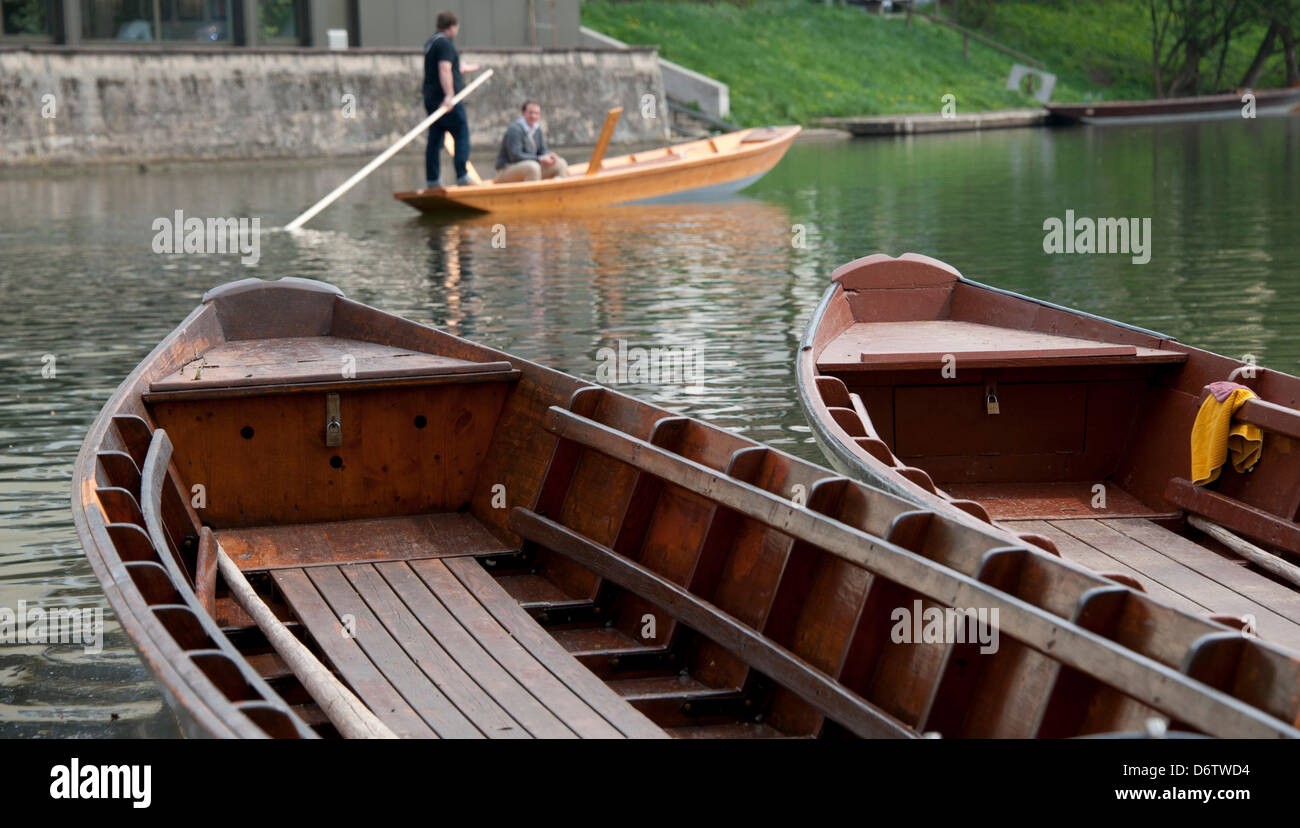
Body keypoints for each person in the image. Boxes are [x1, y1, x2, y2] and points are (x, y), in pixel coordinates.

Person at [423, 11, 480, 189]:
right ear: (452, 26)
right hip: (445, 101)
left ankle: (433, 180)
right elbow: (444, 68)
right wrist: (449, 95)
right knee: (461, 133)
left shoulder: (431, 42)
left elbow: (447, 67)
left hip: (431, 99)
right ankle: (462, 176)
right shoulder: (446, 44)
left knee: (435, 137)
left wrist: (462, 68)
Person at [494, 101, 568, 183]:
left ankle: (559, 194)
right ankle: (534, 195)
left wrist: (549, 155)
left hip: (531, 167)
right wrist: (540, 159)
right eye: (531, 113)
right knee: (532, 167)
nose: (533, 116)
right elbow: (515, 156)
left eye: (536, 113)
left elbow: (542, 150)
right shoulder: (514, 130)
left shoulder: (537, 129)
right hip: (505, 170)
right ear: (523, 113)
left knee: (560, 163)